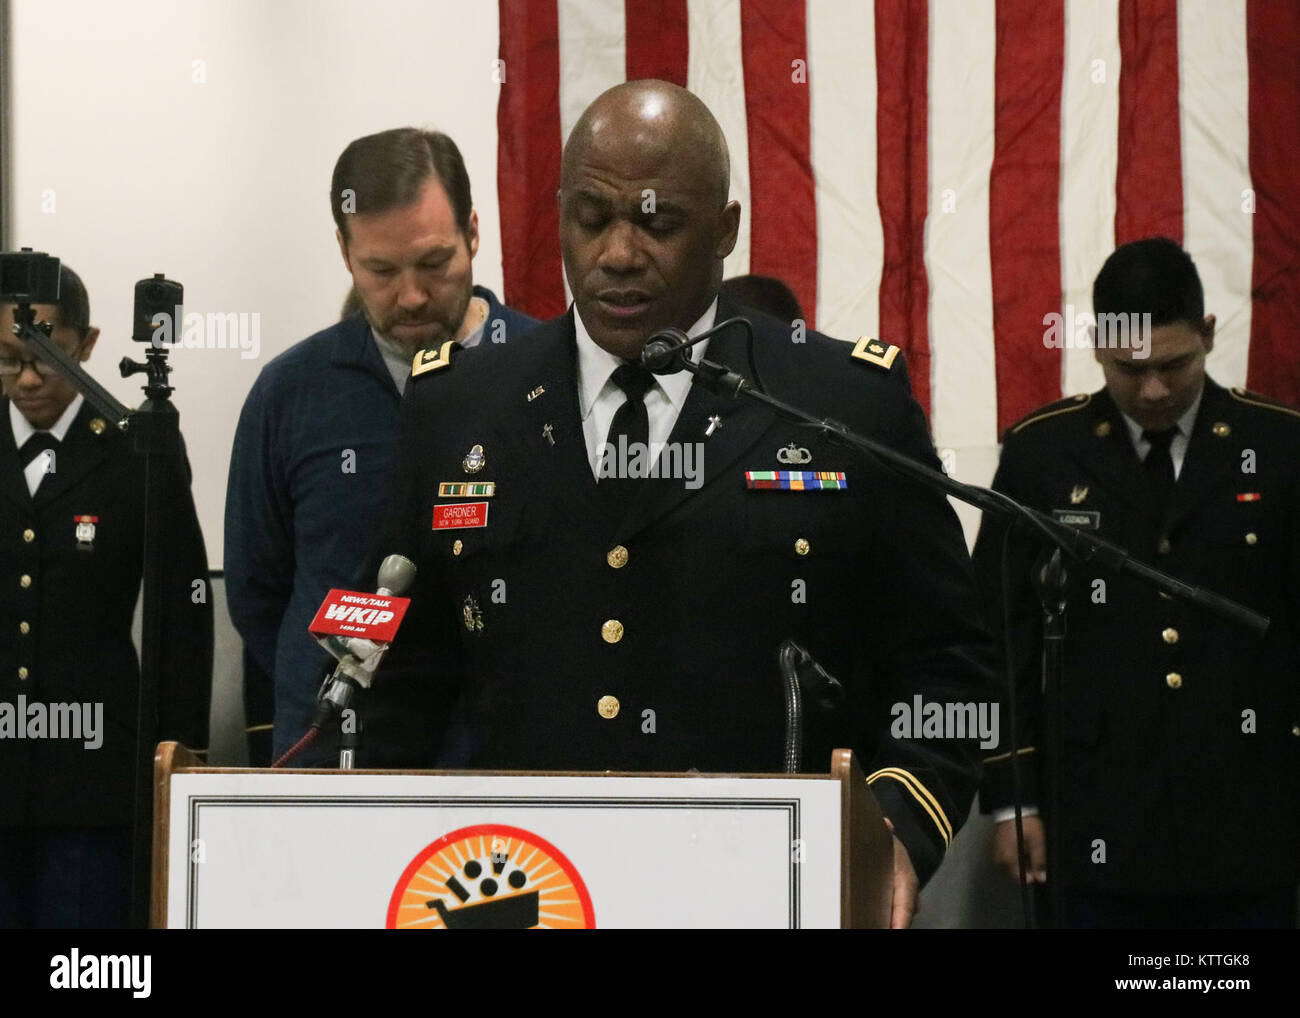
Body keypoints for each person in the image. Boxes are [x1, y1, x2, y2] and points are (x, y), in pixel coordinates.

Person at [377, 81, 995, 927]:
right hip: (534, 889)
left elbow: (949, 665)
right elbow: (397, 677)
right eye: (591, 218)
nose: (619, 253)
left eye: (658, 222)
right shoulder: (460, 405)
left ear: (727, 231)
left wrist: (895, 824)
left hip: (769, 886)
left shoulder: (843, 403)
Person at [975, 237, 1300, 928]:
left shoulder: (1279, 448)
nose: (1153, 390)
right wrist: (1012, 798)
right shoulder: (1042, 453)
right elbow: (997, 635)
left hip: (1252, 816)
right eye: (1130, 369)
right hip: (1093, 818)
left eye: (1174, 365)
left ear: (1209, 335)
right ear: (1096, 345)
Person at [224, 128, 536, 766]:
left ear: (474, 233)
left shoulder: (544, 375)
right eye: (382, 271)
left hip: (503, 748)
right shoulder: (291, 393)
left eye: (433, 263)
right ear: (344, 251)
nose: (412, 296)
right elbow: (256, 590)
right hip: (334, 748)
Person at [0, 264, 212, 927]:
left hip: (95, 778)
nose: (29, 380)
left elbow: (183, 608)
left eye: (44, 355)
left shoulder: (135, 445)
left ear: (87, 343)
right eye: (8, 361)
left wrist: (179, 763)